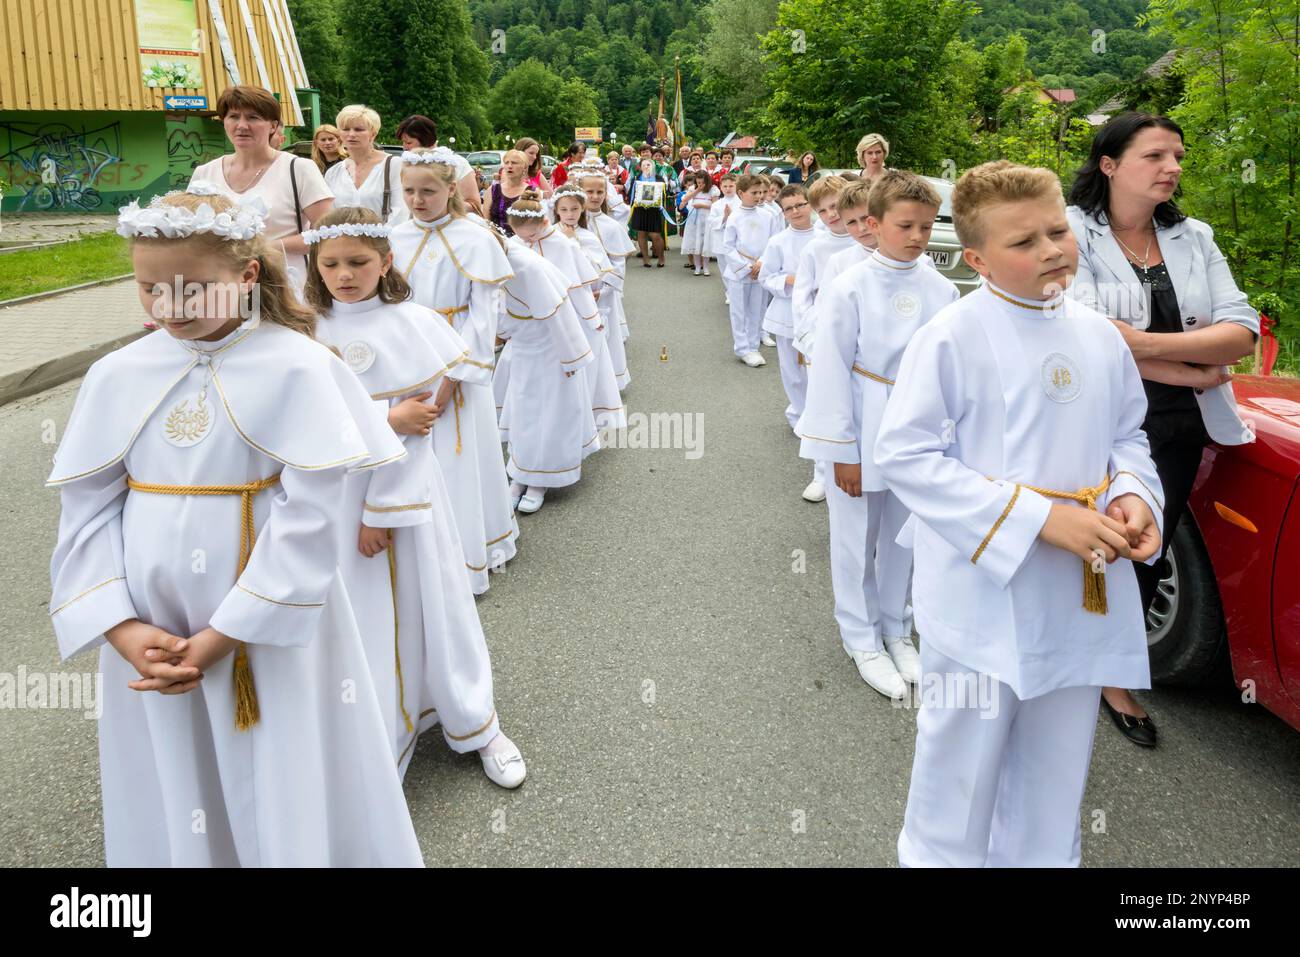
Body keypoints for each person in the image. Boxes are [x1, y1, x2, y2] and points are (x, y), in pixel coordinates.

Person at [48, 189, 423, 866]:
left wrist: (226, 633)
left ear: (248, 276)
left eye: (193, 289)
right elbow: (87, 511)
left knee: (277, 775)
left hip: (263, 633)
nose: (170, 308)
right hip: (150, 627)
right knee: (173, 777)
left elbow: (311, 515)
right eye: (150, 289)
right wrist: (122, 627)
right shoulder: (116, 374)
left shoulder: (301, 366)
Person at [876, 160, 1163, 867]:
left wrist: (1134, 493)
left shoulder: (1099, 335)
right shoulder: (951, 336)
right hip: (983, 592)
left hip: (1079, 588)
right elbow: (907, 454)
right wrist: (1039, 520)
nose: (1051, 250)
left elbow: (1128, 433)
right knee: (962, 767)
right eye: (1023, 242)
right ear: (975, 257)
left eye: (1058, 230)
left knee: (1056, 765)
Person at [305, 207, 526, 788]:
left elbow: (419, 426)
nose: (344, 274)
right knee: (358, 617)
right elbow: (300, 423)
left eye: (358, 262)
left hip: (399, 494)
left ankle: (476, 721)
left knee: (433, 602)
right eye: (331, 263)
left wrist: (382, 511)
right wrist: (386, 416)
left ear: (386, 262)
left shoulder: (412, 322)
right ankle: (374, 727)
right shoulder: (301, 329)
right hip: (331, 495)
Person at [1066, 112, 1259, 748]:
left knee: (1148, 543)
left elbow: (1241, 331)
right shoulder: (1073, 232)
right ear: (1110, 164)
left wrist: (1148, 346)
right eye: (1155, 155)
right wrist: (1196, 366)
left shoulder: (1193, 236)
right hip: (1099, 414)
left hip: (1178, 424)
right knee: (1098, 536)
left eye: (1177, 155)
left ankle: (1111, 666)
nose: (1173, 167)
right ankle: (1090, 667)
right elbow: (1090, 337)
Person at [799, 171, 959, 698]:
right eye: (905, 225)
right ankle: (861, 636)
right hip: (864, 419)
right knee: (854, 539)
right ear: (873, 224)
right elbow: (829, 371)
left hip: (916, 426)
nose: (917, 236)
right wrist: (841, 451)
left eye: (926, 226)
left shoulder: (939, 287)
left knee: (904, 535)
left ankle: (897, 626)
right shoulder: (849, 285)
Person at [389, 148, 518, 595]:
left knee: (456, 456)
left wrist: (451, 381)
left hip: (456, 360)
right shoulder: (394, 235)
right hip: (406, 357)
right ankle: (414, 553)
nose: (418, 200)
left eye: (428, 190)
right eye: (409, 190)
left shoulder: (475, 238)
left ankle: (465, 554)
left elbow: (484, 315)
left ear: (451, 190)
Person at [494, 192, 604, 513]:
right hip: (524, 345)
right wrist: (503, 334)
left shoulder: (532, 265)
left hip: (552, 346)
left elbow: (562, 308)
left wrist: (571, 355)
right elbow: (500, 304)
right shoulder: (507, 256)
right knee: (524, 406)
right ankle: (521, 470)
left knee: (551, 410)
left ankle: (542, 476)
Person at [189, 85, 333, 292]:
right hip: (220, 288)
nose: (242, 125)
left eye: (253, 118)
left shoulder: (298, 168)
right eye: (233, 116)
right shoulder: (204, 173)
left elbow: (327, 232)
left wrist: (264, 248)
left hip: (284, 288)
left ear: (273, 125)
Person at [759, 183, 818, 472]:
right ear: (782, 212)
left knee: (817, 370)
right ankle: (799, 413)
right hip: (787, 315)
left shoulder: (825, 236)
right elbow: (766, 277)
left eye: (801, 205)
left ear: (810, 204)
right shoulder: (778, 242)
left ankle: (818, 417)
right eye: (789, 208)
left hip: (821, 314)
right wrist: (789, 281)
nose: (796, 211)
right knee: (793, 371)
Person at [578, 167, 637, 366]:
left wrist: (603, 290)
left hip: (603, 293)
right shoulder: (570, 224)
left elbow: (619, 263)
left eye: (599, 192)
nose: (595, 197)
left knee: (605, 334)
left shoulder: (612, 226)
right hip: (578, 291)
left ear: (606, 194)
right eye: (589, 192)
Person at [721, 173, 781, 367]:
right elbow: (728, 246)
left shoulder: (768, 215)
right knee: (739, 311)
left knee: (757, 308)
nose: (759, 196)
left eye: (761, 192)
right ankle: (741, 347)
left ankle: (753, 346)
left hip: (761, 268)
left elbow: (774, 242)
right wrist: (746, 266)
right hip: (740, 270)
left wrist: (763, 262)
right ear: (741, 193)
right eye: (754, 192)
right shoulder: (735, 217)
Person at [324, 105, 406, 226]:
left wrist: (382, 242)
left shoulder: (394, 165)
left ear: (373, 134)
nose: (351, 134)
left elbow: (401, 213)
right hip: (344, 242)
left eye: (358, 129)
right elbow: (329, 216)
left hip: (383, 242)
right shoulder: (333, 173)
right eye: (345, 129)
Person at [396, 114, 483, 215]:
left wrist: (438, 204)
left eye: (408, 142)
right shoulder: (403, 164)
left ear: (425, 139)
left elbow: (475, 206)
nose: (404, 147)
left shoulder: (457, 163)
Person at [628, 157, 671, 267]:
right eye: (644, 165)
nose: (646, 167)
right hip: (640, 209)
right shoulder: (636, 178)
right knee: (641, 234)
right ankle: (646, 259)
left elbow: (664, 193)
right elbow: (631, 194)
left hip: (654, 210)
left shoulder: (659, 179)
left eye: (649, 165)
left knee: (655, 235)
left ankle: (661, 258)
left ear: (653, 166)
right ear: (640, 167)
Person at [681, 169, 720, 275]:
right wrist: (697, 190)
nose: (700, 184)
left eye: (702, 183)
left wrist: (702, 205)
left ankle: (706, 267)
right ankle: (697, 267)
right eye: (698, 182)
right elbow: (685, 199)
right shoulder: (693, 188)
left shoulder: (713, 189)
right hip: (694, 218)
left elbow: (715, 206)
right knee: (696, 241)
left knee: (705, 242)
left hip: (707, 218)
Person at [486, 149, 529, 236]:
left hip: (523, 242)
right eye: (506, 163)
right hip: (497, 241)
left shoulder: (531, 191)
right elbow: (486, 221)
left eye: (514, 163)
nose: (509, 166)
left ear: (524, 167)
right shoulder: (493, 190)